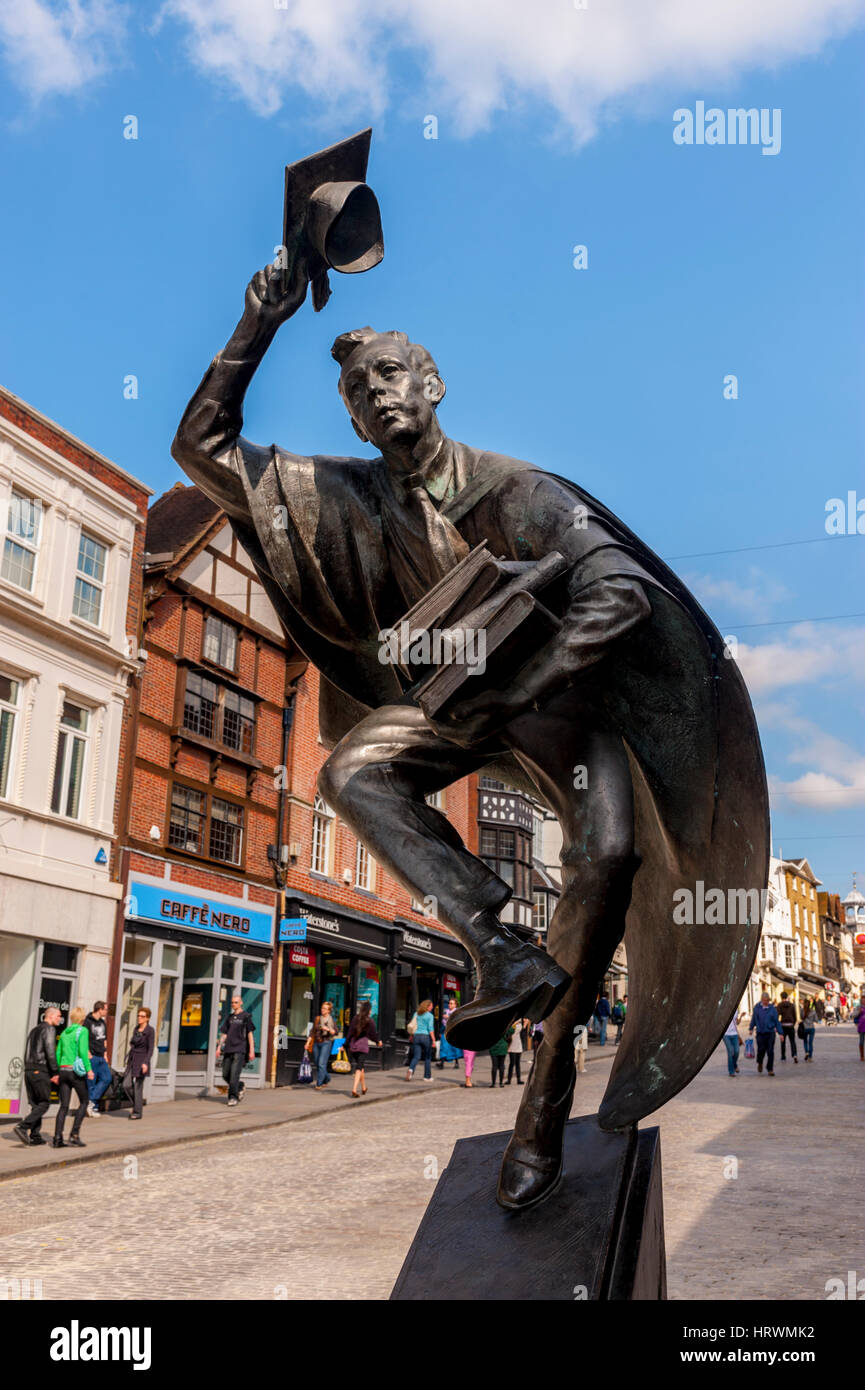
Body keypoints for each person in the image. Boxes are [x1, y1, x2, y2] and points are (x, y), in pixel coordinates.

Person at [174, 243, 766, 1215]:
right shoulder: (350, 504)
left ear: (433, 382)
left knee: (607, 854)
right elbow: (202, 445)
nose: (375, 394)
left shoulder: (512, 487)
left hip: (572, 716)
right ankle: (493, 940)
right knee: (355, 767)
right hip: (462, 713)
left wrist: (523, 680)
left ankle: (543, 1103)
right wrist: (258, 319)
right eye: (359, 390)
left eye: (390, 374)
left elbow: (616, 590)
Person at [14, 1006, 61, 1147]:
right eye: (58, 1016)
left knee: (35, 1104)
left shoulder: (34, 1030)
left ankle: (35, 1136)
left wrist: (29, 1067)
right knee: (44, 1103)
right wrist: (55, 1072)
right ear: (51, 1016)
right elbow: (50, 1051)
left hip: (29, 1070)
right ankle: (22, 1126)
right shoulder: (49, 1029)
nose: (60, 1018)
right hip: (40, 1070)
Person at [53, 1007, 94, 1148]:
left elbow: (58, 1053)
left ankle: (57, 1138)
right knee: (84, 1101)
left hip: (64, 1070)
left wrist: (59, 1070)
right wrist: (89, 1069)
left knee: (63, 1106)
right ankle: (74, 1135)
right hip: (75, 1072)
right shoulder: (82, 1031)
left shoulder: (64, 1032)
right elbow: (83, 1051)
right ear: (82, 1019)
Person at [216, 993, 256, 1106]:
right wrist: (219, 1047)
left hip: (240, 1049)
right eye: (232, 1002)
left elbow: (250, 1034)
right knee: (225, 1074)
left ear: (241, 1003)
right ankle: (239, 1086)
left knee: (234, 1075)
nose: (234, 1004)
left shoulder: (246, 1016)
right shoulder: (229, 1018)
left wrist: (251, 1050)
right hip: (228, 1049)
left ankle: (233, 1097)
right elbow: (224, 1034)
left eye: (236, 1002)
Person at [346, 1000, 382, 1096]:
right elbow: (373, 1035)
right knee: (359, 1067)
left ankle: (364, 1088)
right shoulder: (370, 1021)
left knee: (361, 1067)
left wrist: (345, 1045)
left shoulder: (355, 1018)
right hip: (362, 1046)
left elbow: (349, 1033)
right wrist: (378, 1042)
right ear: (369, 1010)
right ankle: (354, 1089)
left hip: (353, 1046)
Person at [125, 1006, 155, 1120]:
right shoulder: (136, 1029)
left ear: (147, 1018)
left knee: (138, 1086)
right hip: (132, 1060)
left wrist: (145, 1063)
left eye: (142, 1016)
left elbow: (150, 1048)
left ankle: (137, 1112)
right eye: (138, 1015)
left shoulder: (150, 1031)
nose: (139, 1018)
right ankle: (137, 1104)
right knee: (126, 1085)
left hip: (142, 1060)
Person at [84, 1001, 112, 1115]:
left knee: (107, 1078)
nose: (106, 1011)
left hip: (101, 1056)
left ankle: (91, 1101)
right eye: (105, 1009)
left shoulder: (102, 1022)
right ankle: (93, 1108)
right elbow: (83, 1039)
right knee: (91, 1082)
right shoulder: (87, 1021)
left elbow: (104, 1039)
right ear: (99, 1009)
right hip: (92, 1056)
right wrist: (87, 1053)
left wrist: (105, 1054)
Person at [749, 992, 783, 1076]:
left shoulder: (772, 1009)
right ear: (761, 1000)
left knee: (770, 1051)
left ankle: (770, 1069)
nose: (766, 1002)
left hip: (770, 1032)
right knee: (761, 1049)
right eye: (765, 1000)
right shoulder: (757, 1008)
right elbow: (754, 1018)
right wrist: (751, 1028)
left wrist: (781, 1033)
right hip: (760, 1032)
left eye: (767, 1000)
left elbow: (776, 1021)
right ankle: (760, 1062)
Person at [309, 1000, 338, 1089]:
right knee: (318, 1063)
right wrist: (307, 1042)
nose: (323, 1010)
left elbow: (335, 1032)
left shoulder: (331, 1020)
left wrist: (328, 1029)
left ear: (329, 1010)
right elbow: (313, 1031)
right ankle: (327, 1078)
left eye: (325, 1009)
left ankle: (319, 1084)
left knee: (321, 1063)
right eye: (322, 1008)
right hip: (317, 1042)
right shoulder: (318, 1019)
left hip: (326, 1042)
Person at [406, 999, 436, 1081]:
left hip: (416, 1036)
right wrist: (433, 1040)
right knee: (427, 1057)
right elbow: (430, 1029)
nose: (432, 1008)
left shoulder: (416, 1014)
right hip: (425, 1037)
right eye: (431, 1006)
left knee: (416, 1056)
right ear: (427, 1006)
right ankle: (427, 1077)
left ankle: (410, 1069)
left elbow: (413, 1025)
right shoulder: (430, 1016)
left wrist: (411, 1036)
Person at [438, 998, 463, 1070]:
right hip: (445, 1032)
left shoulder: (457, 1012)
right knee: (443, 1047)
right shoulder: (446, 1011)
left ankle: (456, 1062)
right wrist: (440, 1031)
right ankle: (442, 1063)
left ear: (455, 1005)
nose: (449, 1005)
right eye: (449, 1003)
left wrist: (448, 1017)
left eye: (451, 1003)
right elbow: (443, 1023)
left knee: (454, 1048)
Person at [777, 991, 798, 1064]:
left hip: (783, 1026)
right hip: (790, 1025)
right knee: (792, 1041)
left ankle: (783, 1056)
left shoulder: (780, 1005)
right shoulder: (792, 1005)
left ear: (781, 997)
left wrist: (778, 1025)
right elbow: (795, 1016)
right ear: (787, 997)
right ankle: (794, 1054)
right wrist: (793, 1023)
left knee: (783, 1042)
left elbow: (777, 1015)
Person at [506, 1016, 529, 1084]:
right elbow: (509, 1032)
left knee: (518, 1063)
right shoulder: (512, 1024)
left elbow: (526, 1022)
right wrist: (515, 1022)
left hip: (518, 1045)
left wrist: (524, 1023)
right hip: (512, 1045)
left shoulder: (520, 1023)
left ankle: (519, 1079)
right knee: (512, 1063)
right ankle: (509, 1080)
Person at [722, 1013, 741, 1077]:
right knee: (730, 1051)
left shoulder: (736, 1010)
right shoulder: (723, 1009)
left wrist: (741, 1016)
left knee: (737, 1051)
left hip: (734, 1034)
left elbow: (737, 1022)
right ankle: (731, 1071)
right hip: (726, 1034)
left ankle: (734, 1064)